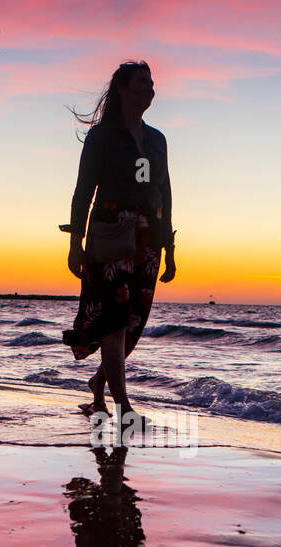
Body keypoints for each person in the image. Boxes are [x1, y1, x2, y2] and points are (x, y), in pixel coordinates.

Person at [64, 60, 176, 428]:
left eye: (152, 82)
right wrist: (76, 243)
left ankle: (100, 383)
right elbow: (83, 190)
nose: (150, 88)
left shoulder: (157, 140)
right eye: (142, 82)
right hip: (109, 235)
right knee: (113, 321)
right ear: (123, 90)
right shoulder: (102, 137)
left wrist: (169, 249)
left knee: (132, 325)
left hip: (147, 242)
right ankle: (124, 407)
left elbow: (164, 192)